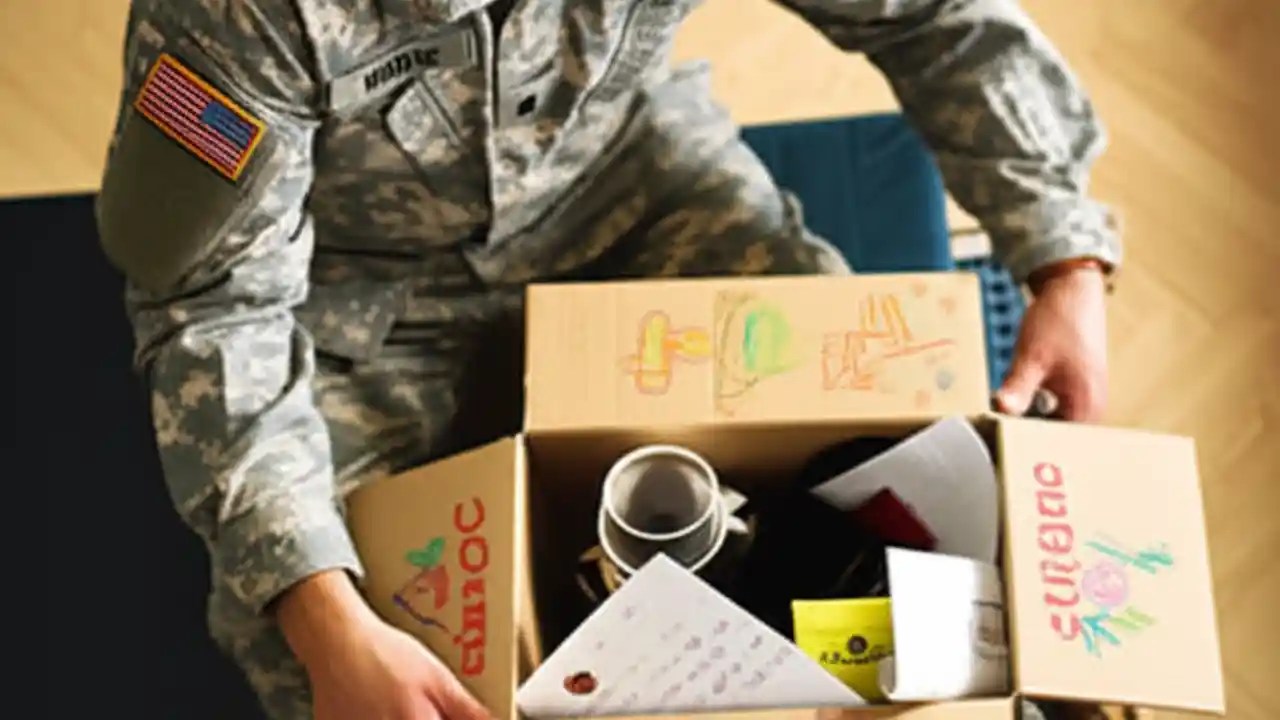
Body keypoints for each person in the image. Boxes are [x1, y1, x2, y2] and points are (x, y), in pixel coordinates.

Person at [94, 0, 1120, 718]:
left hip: (631, 192)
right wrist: (320, 619)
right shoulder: (231, 9)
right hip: (348, 290)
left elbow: (928, 12)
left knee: (881, 462)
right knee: (369, 664)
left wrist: (1063, 258)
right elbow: (213, 302)